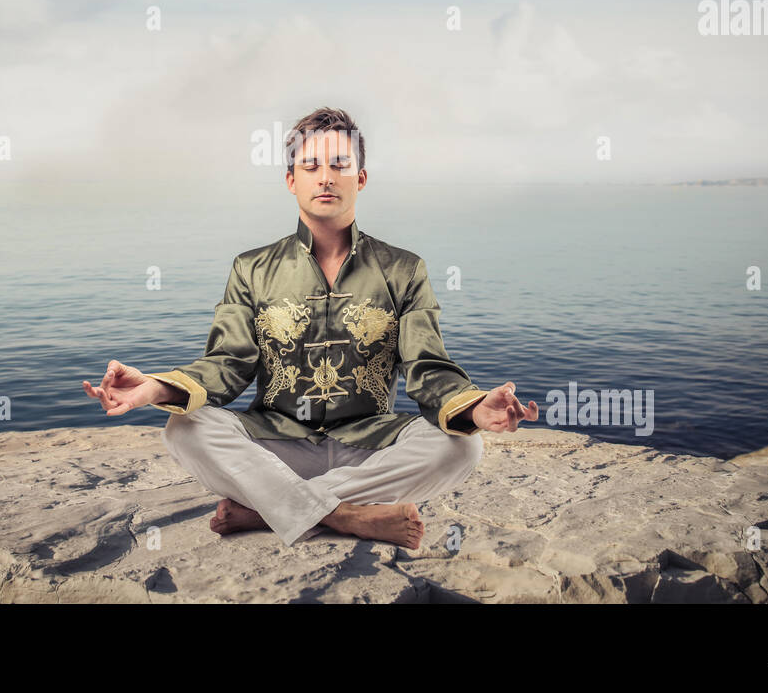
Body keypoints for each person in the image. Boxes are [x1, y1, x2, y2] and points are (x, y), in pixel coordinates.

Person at [84, 107, 537, 549]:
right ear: (291, 180)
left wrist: (476, 408)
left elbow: (427, 366)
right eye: (311, 165)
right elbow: (226, 364)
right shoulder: (251, 268)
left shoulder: (403, 269)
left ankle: (267, 510)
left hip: (371, 445)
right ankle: (347, 515)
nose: (325, 177)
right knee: (185, 429)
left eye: (340, 164)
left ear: (360, 179)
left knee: (461, 448)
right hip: (275, 443)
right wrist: (154, 389)